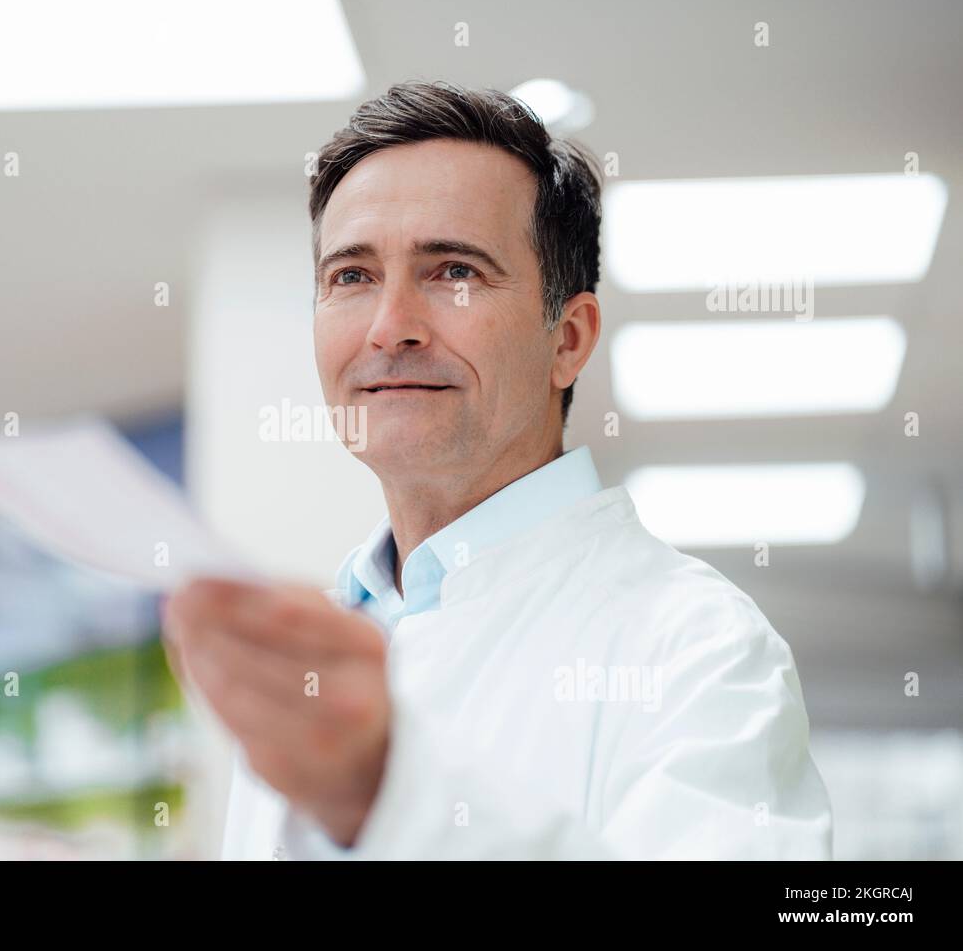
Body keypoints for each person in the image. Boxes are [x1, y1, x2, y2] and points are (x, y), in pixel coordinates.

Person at [161, 81, 833, 860]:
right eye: (351, 276)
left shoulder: (700, 650)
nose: (391, 327)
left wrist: (385, 792)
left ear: (569, 338)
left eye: (454, 272)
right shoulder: (322, 637)